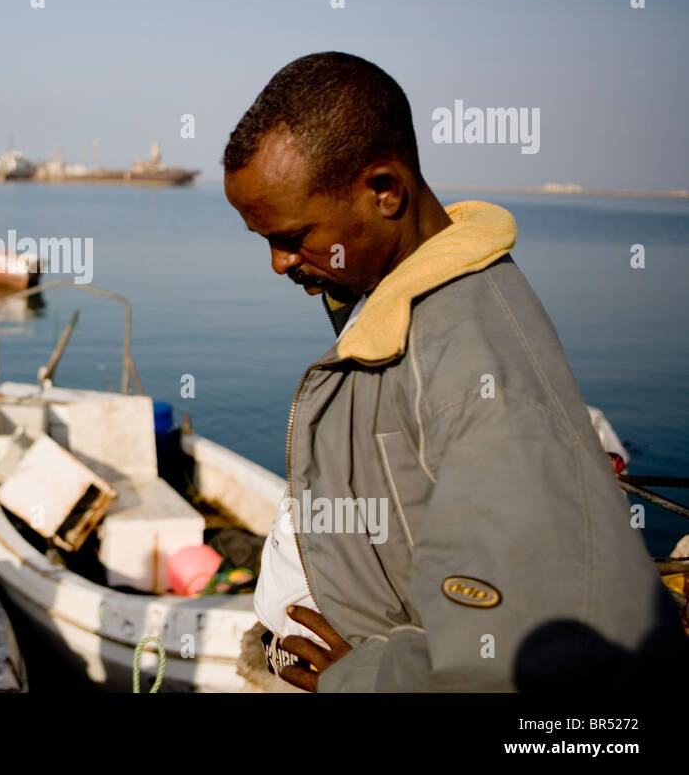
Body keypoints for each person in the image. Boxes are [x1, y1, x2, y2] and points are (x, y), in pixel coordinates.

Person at [223, 51, 687, 691]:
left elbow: (529, 645)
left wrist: (365, 677)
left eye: (293, 235)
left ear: (386, 191)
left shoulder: (475, 368)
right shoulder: (389, 285)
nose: (278, 263)